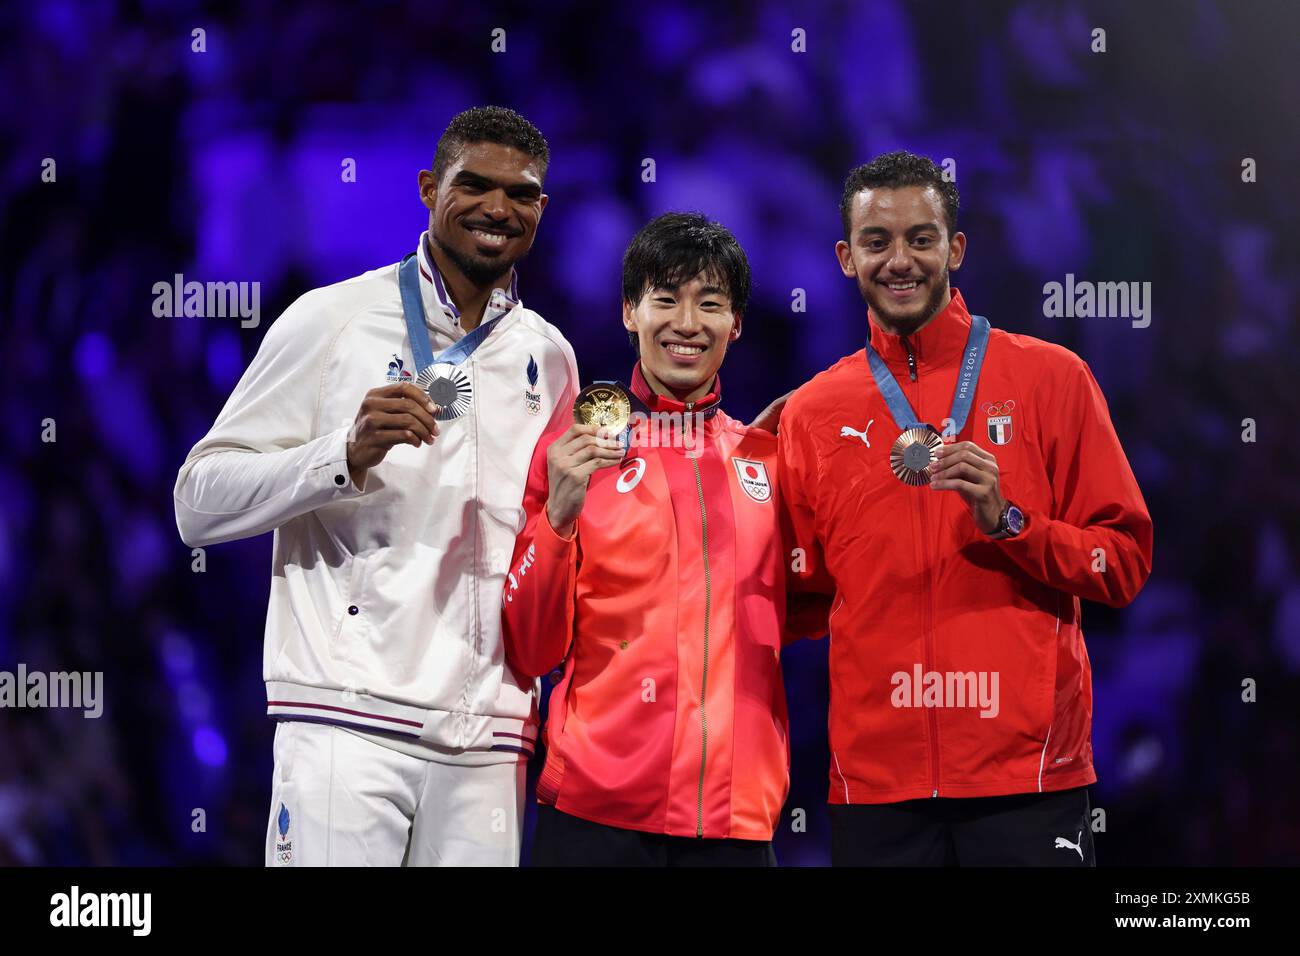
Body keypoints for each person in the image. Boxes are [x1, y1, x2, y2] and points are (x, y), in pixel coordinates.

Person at [173, 106, 579, 866]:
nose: (497, 208)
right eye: (475, 185)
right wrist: (342, 455)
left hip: (487, 738)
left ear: (541, 210)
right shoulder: (331, 321)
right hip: (344, 721)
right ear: (429, 189)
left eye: (520, 194)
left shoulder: (551, 360)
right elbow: (198, 500)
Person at [778, 151, 1153, 865]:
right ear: (844, 257)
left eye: (921, 238)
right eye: (876, 241)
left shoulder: (1052, 378)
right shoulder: (813, 411)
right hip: (878, 791)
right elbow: (797, 597)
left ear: (955, 248)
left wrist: (1012, 525)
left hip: (1026, 778)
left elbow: (1124, 563)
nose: (900, 260)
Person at [502, 212, 818, 866]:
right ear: (629, 312)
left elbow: (804, 608)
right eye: (665, 299)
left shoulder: (769, 462)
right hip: (594, 817)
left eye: (710, 304)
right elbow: (530, 650)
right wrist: (558, 523)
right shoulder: (573, 455)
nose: (686, 323)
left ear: (736, 323)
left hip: (734, 824)